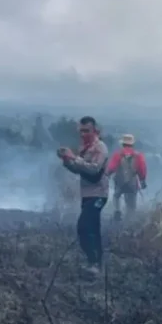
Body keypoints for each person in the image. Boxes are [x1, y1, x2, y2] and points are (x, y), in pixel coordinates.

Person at [57, 116, 109, 277]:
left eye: (87, 131)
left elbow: (94, 169)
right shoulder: (85, 148)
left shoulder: (100, 148)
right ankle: (96, 264)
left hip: (98, 194)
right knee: (93, 228)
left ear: (95, 131)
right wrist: (67, 161)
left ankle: (94, 263)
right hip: (87, 194)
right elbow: (80, 170)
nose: (83, 134)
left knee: (84, 226)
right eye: (81, 131)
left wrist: (73, 157)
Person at [106, 133, 148, 221]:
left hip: (119, 182)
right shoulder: (138, 156)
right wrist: (142, 180)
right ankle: (129, 222)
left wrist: (107, 175)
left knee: (116, 196)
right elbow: (142, 169)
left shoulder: (118, 155)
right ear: (132, 144)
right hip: (132, 183)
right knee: (131, 204)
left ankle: (117, 210)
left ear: (122, 144)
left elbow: (111, 167)